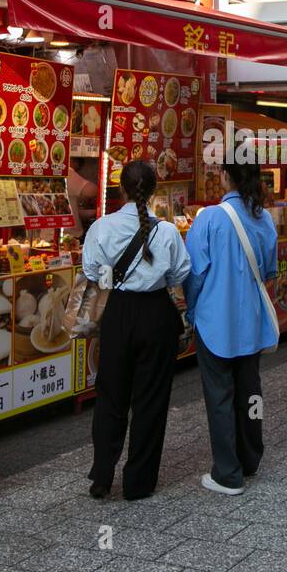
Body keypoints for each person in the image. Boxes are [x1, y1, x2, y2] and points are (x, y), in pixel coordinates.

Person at [82, 161, 192, 501]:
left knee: (111, 396)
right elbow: (180, 274)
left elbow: (92, 272)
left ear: (121, 189)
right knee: (151, 400)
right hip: (157, 314)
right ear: (154, 191)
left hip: (118, 313)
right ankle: (139, 482)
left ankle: (102, 475)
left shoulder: (102, 227)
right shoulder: (169, 231)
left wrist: (115, 277)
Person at [185, 160, 278, 496]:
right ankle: (250, 458)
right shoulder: (264, 218)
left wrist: (191, 311)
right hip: (251, 322)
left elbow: (193, 274)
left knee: (220, 395)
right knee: (250, 391)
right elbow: (269, 270)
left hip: (214, 321)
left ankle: (227, 472)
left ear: (225, 176)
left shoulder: (208, 218)